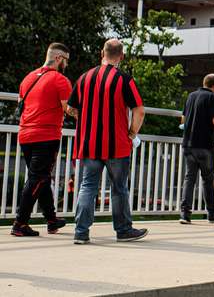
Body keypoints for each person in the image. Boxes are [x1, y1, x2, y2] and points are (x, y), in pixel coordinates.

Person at [67, 39, 147, 244]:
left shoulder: (85, 77)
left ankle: (81, 232)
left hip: (89, 143)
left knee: (87, 187)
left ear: (102, 53)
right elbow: (139, 110)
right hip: (117, 145)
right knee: (119, 188)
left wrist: (85, 119)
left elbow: (70, 108)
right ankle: (123, 230)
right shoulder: (124, 80)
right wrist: (131, 132)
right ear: (121, 56)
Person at [11, 42, 72, 237]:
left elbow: (21, 104)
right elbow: (68, 109)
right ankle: (20, 223)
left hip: (25, 135)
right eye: (66, 61)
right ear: (59, 58)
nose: (67, 65)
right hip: (46, 136)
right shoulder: (60, 80)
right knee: (38, 177)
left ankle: (51, 220)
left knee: (42, 177)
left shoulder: (28, 78)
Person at [178, 74, 214, 224]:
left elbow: (183, 120)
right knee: (207, 179)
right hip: (205, 145)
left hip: (188, 144)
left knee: (189, 178)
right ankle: (212, 213)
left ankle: (185, 214)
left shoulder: (191, 96)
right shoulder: (212, 97)